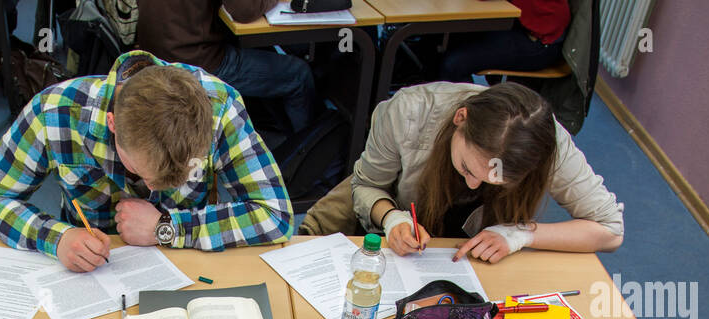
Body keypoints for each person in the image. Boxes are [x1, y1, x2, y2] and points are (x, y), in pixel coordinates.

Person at [0, 49, 293, 274]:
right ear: (112, 124)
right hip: (89, 266)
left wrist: (166, 228)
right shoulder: (54, 113)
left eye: (176, 178)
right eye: (142, 173)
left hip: (186, 262)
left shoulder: (219, 109)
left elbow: (276, 215)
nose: (150, 189)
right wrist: (56, 237)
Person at [349, 81, 622, 262]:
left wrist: (521, 235)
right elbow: (366, 185)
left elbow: (610, 231)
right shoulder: (408, 113)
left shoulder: (547, 143)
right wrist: (391, 218)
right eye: (467, 168)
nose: (471, 186)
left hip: (482, 262)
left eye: (496, 181)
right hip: (403, 249)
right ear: (460, 119)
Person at [134, 0, 315, 134]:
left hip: (153, 52)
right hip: (195, 61)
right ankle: (308, 152)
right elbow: (245, 11)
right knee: (298, 75)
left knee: (264, 53)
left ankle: (275, 128)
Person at [438, 0, 570, 83]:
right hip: (517, 24)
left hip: (540, 41)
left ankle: (474, 121)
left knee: (453, 64)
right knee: (436, 45)